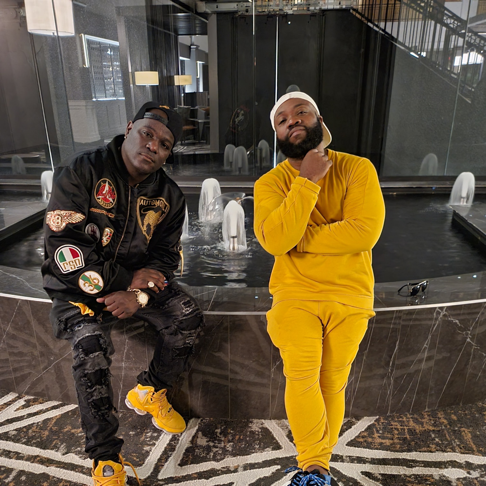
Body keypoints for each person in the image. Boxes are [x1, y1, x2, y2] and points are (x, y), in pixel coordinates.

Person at [42, 102, 204, 486]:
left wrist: (139, 296)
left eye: (164, 144)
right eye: (148, 133)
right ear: (130, 128)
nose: (153, 146)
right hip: (76, 286)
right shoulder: (81, 171)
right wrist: (127, 279)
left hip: (134, 287)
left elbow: (165, 260)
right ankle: (106, 459)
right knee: (91, 346)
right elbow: (65, 251)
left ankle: (151, 391)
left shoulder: (169, 195)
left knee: (187, 316)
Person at [254, 92, 385, 486]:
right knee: (302, 375)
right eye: (282, 120)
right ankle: (314, 467)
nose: (292, 121)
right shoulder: (270, 183)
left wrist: (298, 238)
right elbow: (276, 241)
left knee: (333, 381)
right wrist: (307, 180)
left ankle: (318, 465)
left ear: (319, 121)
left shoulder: (357, 168)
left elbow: (364, 232)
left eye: (301, 112)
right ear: (278, 135)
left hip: (351, 294)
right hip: (295, 294)